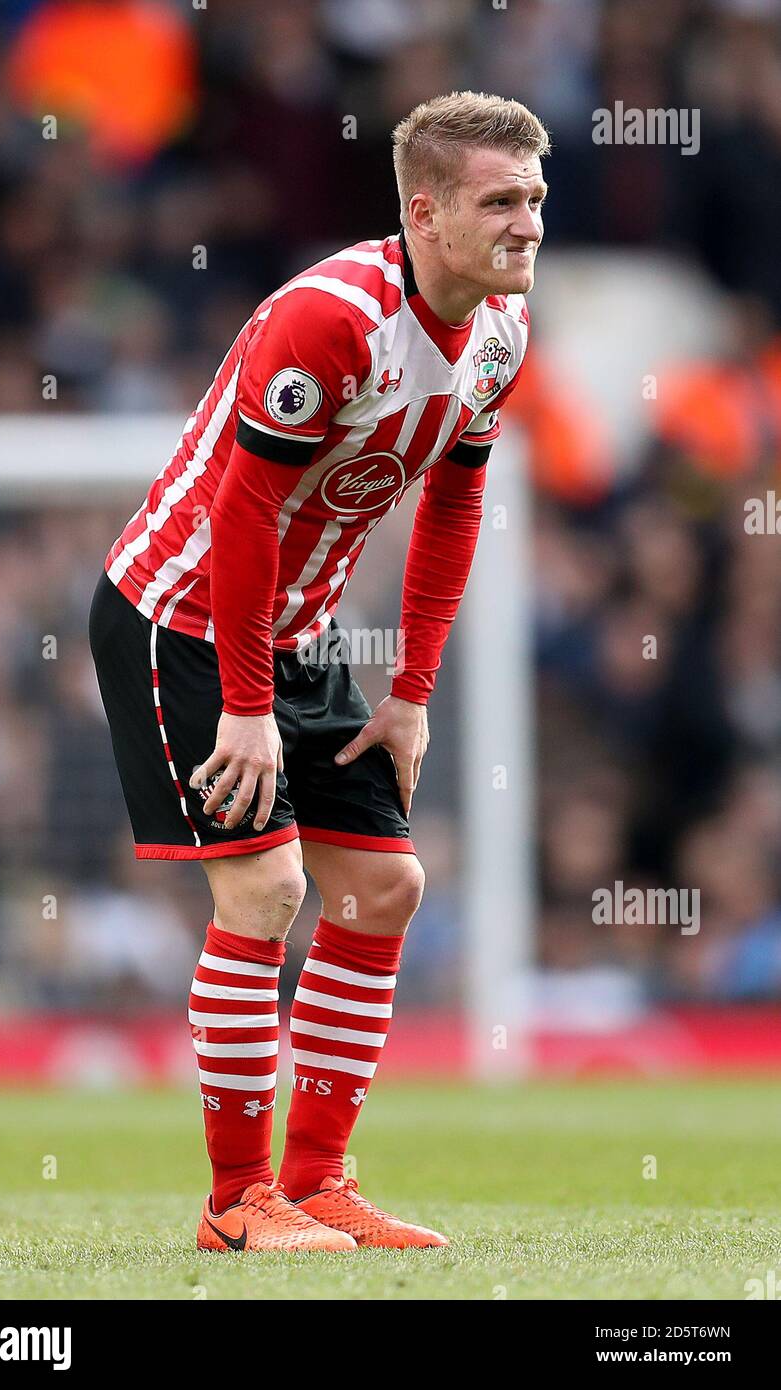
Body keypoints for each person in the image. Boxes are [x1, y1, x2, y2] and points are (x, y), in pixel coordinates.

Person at [89, 90, 548, 1252]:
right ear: (426, 210)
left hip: (300, 636)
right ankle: (237, 1202)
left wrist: (411, 694)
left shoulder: (499, 330)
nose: (527, 225)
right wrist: (245, 710)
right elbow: (244, 515)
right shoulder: (333, 317)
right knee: (264, 892)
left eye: (537, 200)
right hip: (183, 619)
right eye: (502, 203)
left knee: (385, 889)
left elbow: (453, 504)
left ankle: (321, 1178)